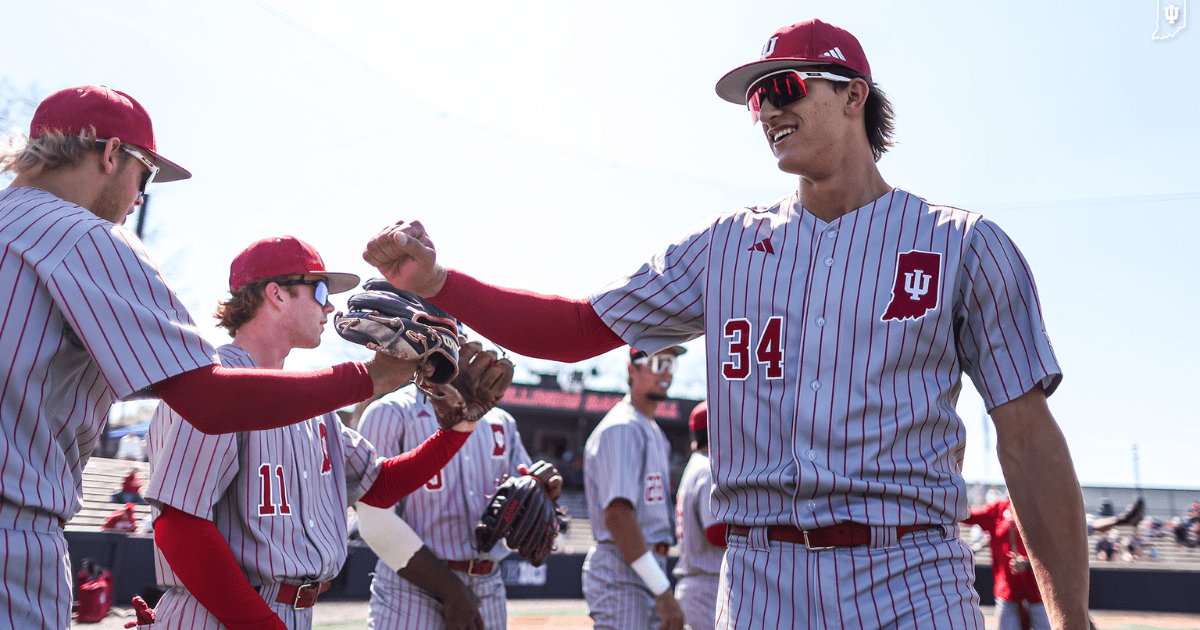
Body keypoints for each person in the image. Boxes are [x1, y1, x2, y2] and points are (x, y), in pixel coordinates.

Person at [363, 17, 1089, 629]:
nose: (765, 111)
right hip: (758, 579)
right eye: (753, 102)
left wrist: (1072, 621)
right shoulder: (725, 246)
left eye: (782, 88)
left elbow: (1025, 442)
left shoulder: (963, 243)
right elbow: (583, 327)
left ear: (853, 95)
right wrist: (438, 283)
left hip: (910, 572)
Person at [0, 85, 416, 630]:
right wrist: (370, 376)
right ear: (110, 155)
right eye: (144, 173)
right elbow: (209, 400)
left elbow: (377, 481)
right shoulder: (85, 236)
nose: (140, 195)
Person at [144, 236, 480, 630]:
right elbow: (179, 526)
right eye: (320, 290)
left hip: (290, 612)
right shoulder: (216, 384)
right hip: (217, 615)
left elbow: (378, 485)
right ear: (276, 294)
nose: (330, 305)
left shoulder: (310, 405)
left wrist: (457, 430)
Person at [357, 342, 560, 630]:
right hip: (410, 591)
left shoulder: (502, 422)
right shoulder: (389, 413)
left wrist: (544, 487)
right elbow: (374, 522)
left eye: (458, 332)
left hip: (487, 587)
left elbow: (524, 494)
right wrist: (451, 591)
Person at [580, 347, 686, 630]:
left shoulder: (652, 430)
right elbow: (617, 516)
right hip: (622, 570)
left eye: (671, 364)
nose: (665, 371)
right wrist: (663, 591)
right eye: (656, 362)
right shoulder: (622, 427)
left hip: (644, 568)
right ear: (632, 370)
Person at [672, 401, 725, 630]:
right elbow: (715, 532)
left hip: (698, 584)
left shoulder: (695, 465)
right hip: (706, 586)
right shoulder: (707, 468)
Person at [963, 497, 1048, 630]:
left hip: (1040, 594)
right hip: (1007, 593)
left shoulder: (1043, 507)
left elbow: (1057, 552)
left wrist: (1028, 564)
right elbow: (966, 515)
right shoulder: (998, 508)